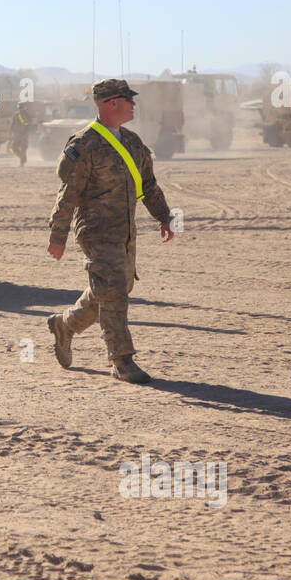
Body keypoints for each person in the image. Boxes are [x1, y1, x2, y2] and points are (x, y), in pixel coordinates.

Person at [45, 78, 175, 383]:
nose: (134, 105)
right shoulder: (84, 144)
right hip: (95, 231)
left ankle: (65, 325)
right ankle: (121, 360)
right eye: (129, 100)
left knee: (113, 289)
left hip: (125, 232)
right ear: (111, 103)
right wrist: (58, 236)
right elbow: (68, 194)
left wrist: (165, 216)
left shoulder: (132, 142)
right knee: (114, 291)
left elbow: (148, 185)